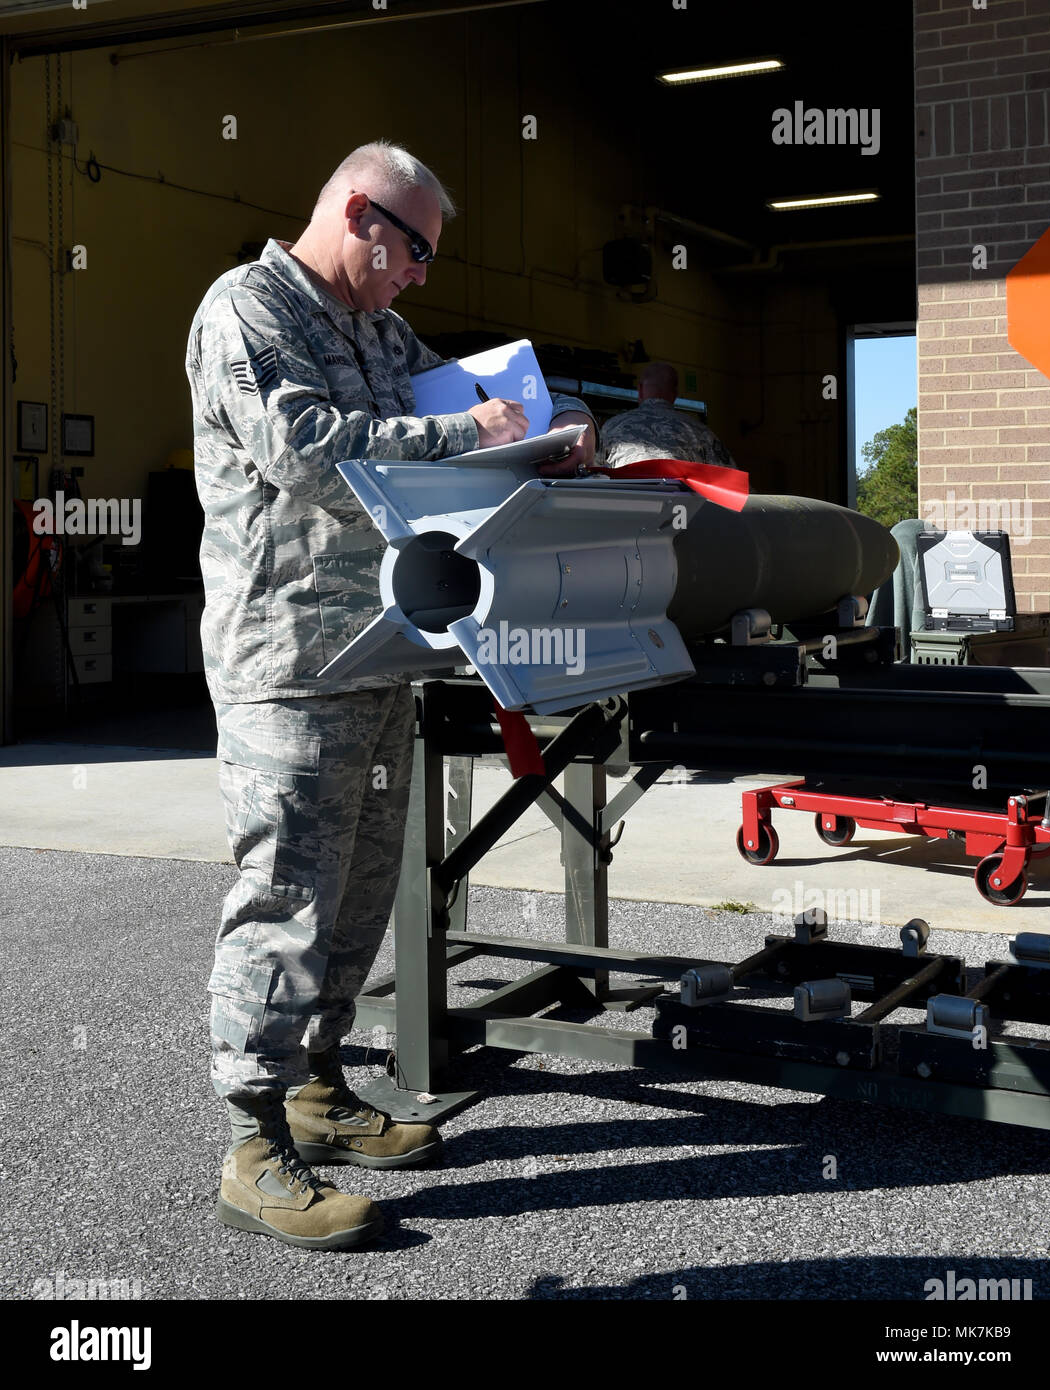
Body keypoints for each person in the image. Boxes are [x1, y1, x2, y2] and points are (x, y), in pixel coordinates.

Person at [184, 140, 597, 1251]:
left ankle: (319, 1091)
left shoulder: (375, 326)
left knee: (360, 888)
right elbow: (307, 450)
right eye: (413, 251)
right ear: (362, 214)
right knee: (285, 894)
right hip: (288, 660)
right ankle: (252, 1139)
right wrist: (476, 435)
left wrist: (540, 444)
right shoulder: (250, 308)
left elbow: (455, 408)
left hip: (380, 646)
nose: (420, 276)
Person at [598, 361, 736, 471]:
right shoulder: (699, 432)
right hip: (680, 505)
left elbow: (593, 472)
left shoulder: (611, 426)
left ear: (640, 389)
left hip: (624, 502)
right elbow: (730, 482)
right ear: (675, 393)